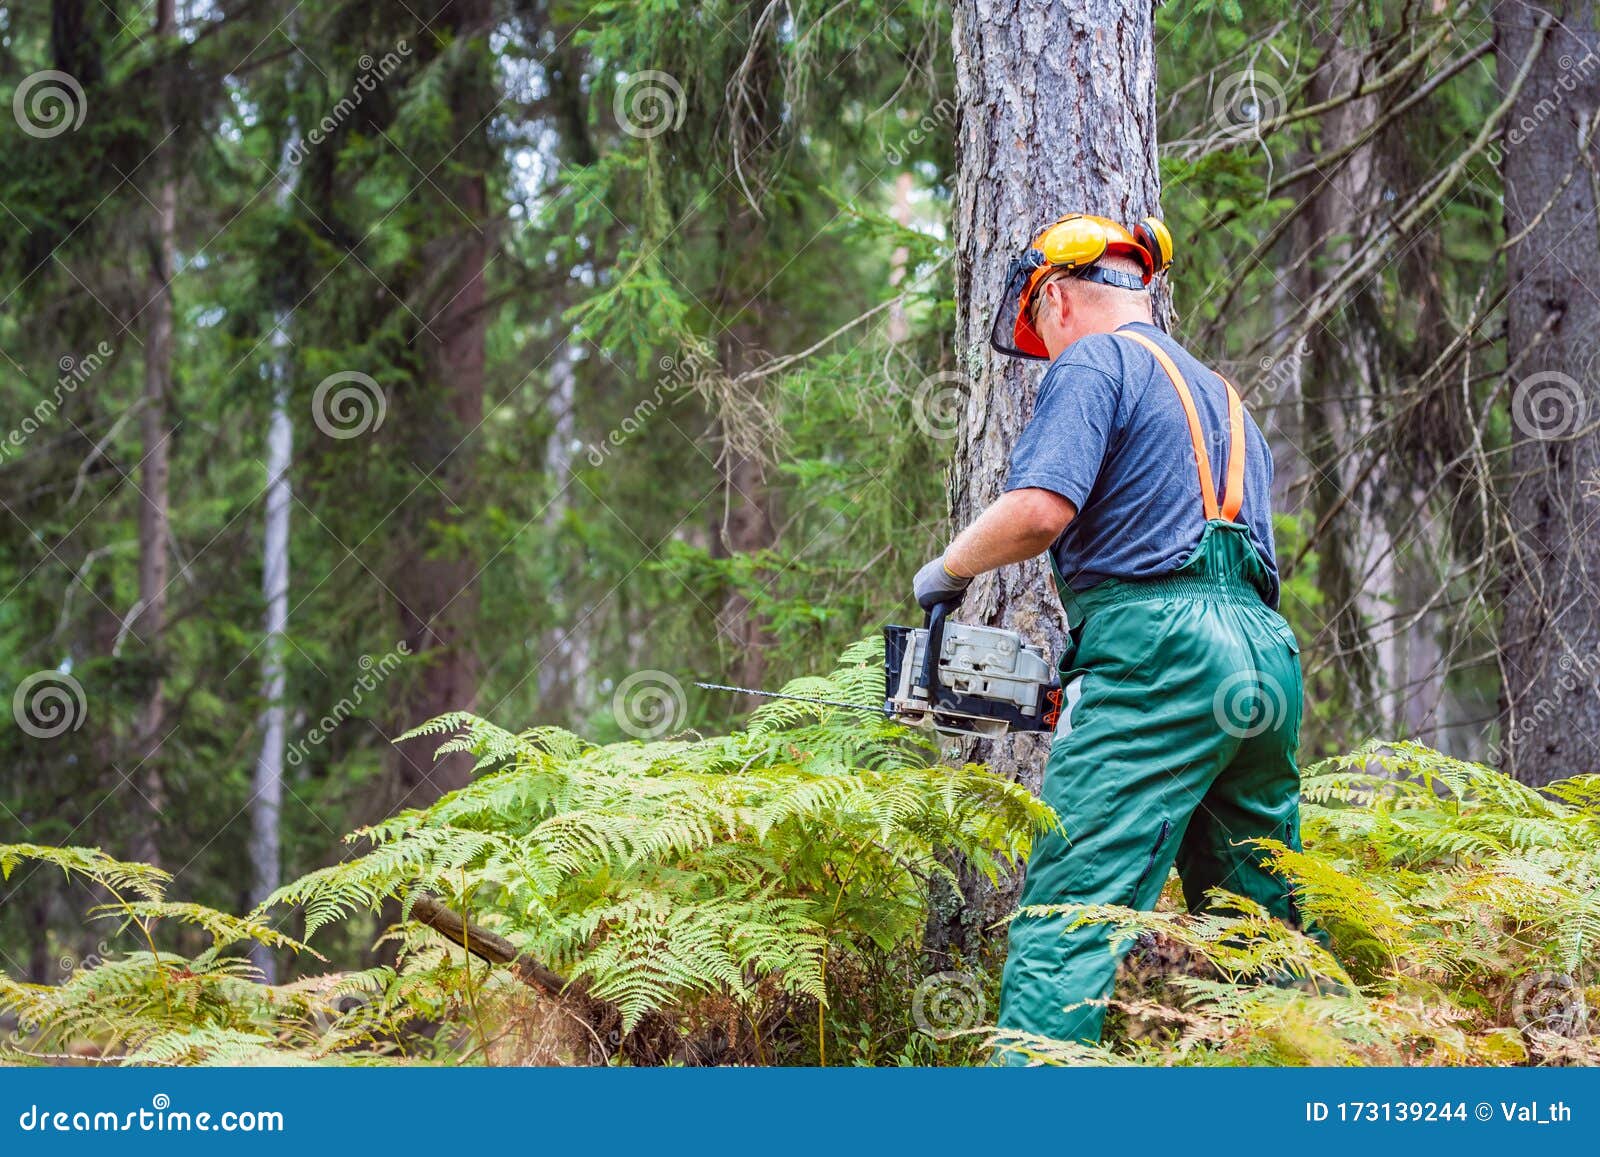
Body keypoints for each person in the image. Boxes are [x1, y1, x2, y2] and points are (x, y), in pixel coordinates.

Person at [912, 214, 1310, 1052]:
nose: (1049, 352)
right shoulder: (1226, 401)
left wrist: (947, 570)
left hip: (1161, 655)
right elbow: (1222, 573)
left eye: (1041, 332)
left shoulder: (1096, 360)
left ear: (1054, 298)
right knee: (1258, 924)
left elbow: (1038, 511)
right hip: (1265, 662)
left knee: (1071, 916)